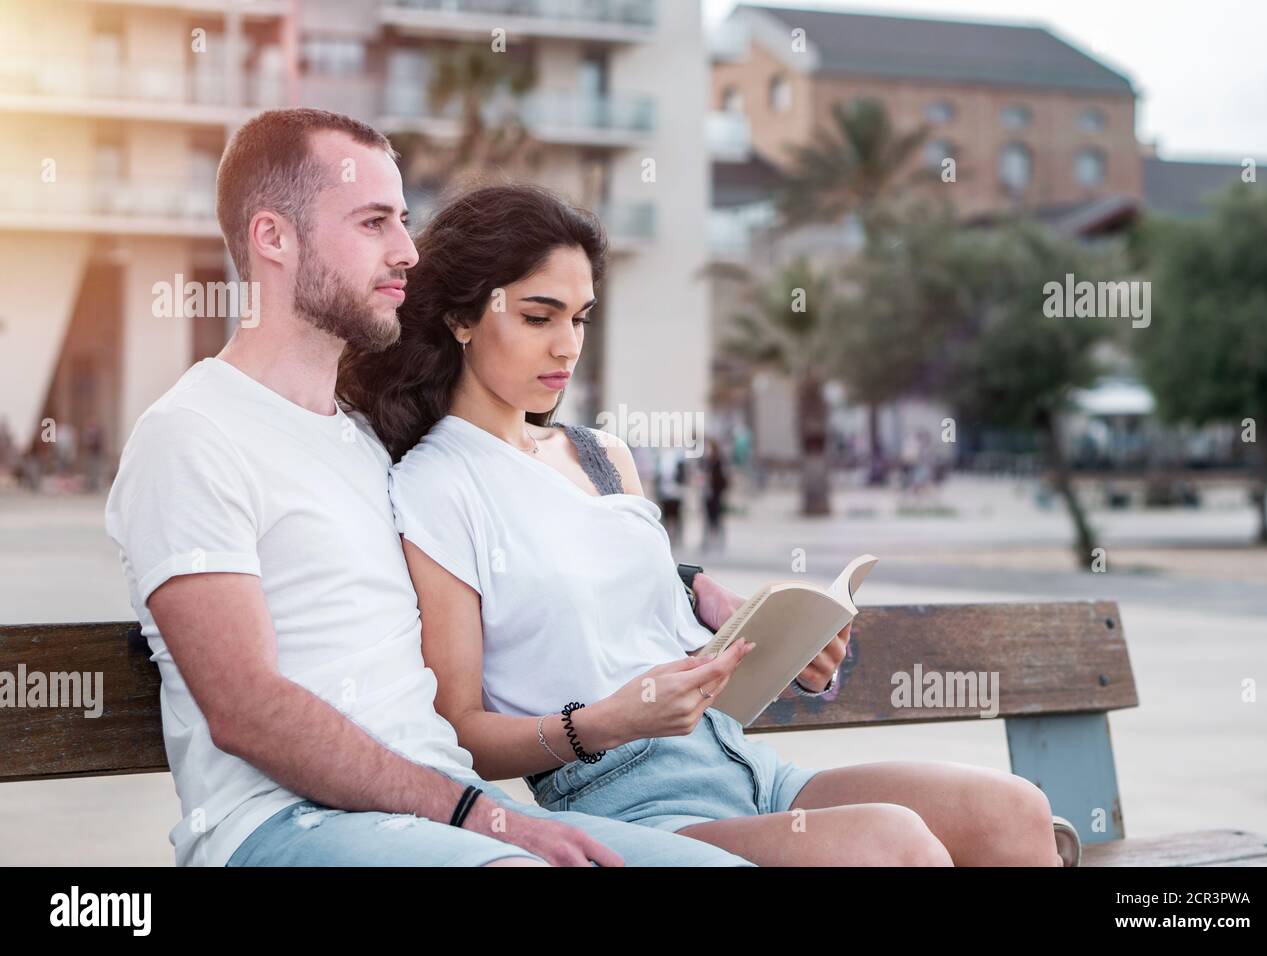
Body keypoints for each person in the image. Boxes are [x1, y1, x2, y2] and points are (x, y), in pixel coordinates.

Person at [341, 183, 1073, 867]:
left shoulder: (603, 457)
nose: (568, 346)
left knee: (1016, 811)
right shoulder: (436, 485)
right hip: (636, 807)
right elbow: (458, 729)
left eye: (581, 318)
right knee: (893, 844)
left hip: (750, 769)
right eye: (539, 317)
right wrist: (604, 723)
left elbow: (647, 633)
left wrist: (776, 647)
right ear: (462, 317)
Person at [104, 108, 751, 868]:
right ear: (272, 237)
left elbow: (535, 532)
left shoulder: (373, 445)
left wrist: (689, 581)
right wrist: (477, 814)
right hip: (283, 826)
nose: (407, 251)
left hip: (438, 811)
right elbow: (248, 711)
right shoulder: (191, 435)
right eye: (374, 222)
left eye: (404, 222)